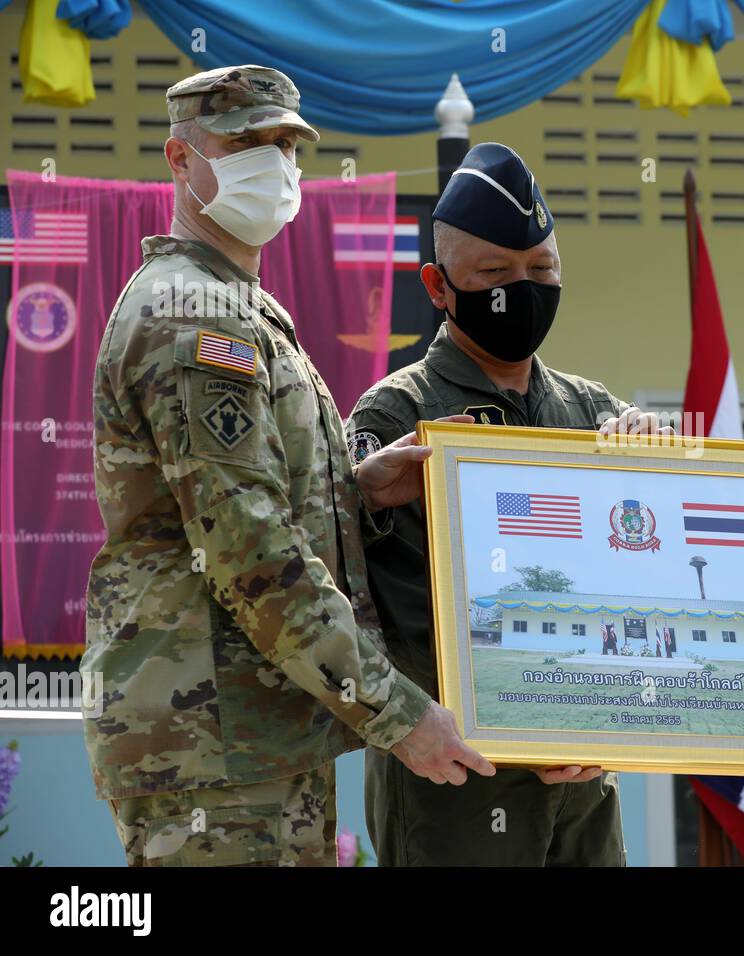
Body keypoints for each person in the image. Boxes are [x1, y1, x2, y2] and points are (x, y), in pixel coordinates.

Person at [83, 65, 491, 867]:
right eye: (243, 143)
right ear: (180, 159)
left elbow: (253, 504)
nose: (272, 163)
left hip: (250, 735)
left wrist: (359, 490)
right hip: (213, 748)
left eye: (285, 143)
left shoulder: (239, 305)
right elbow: (249, 548)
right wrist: (396, 711)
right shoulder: (197, 316)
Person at [349, 142, 668, 866]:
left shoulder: (593, 411)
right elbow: (337, 578)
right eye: (494, 274)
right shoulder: (398, 411)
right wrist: (363, 493)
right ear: (437, 284)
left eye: (542, 271)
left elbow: (648, 580)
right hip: (454, 772)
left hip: (582, 770)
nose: (521, 289)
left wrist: (659, 469)